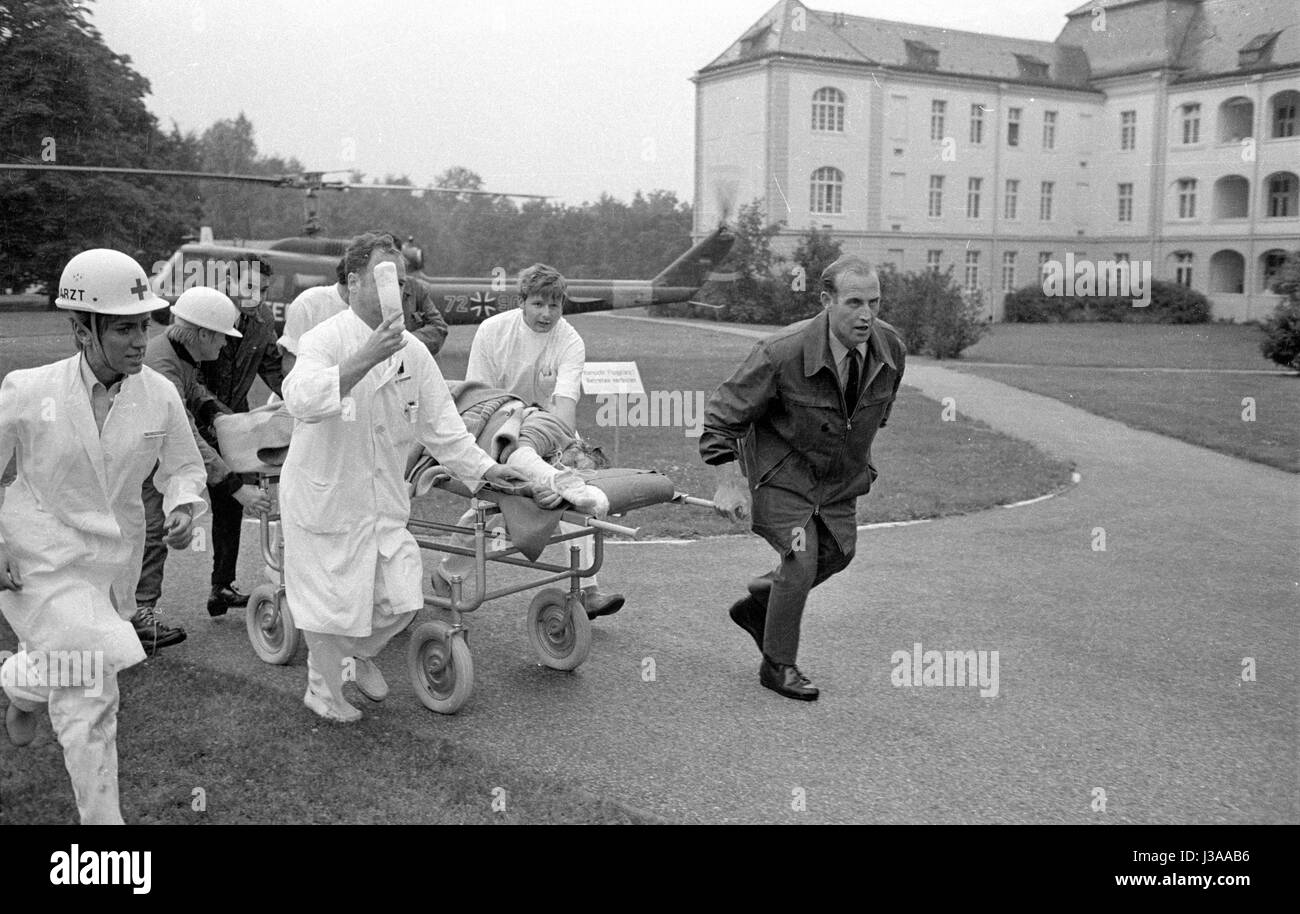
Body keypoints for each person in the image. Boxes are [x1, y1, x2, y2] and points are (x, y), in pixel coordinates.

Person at [280, 231, 528, 722]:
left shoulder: (413, 351)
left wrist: (489, 472)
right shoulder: (324, 339)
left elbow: (444, 430)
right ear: (353, 283)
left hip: (382, 501)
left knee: (402, 594)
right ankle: (323, 691)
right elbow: (301, 400)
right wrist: (367, 355)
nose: (395, 288)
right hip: (326, 499)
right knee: (331, 607)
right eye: (380, 275)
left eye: (399, 276)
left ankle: (358, 656)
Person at [0, 248, 207, 823]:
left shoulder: (159, 394)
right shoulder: (26, 389)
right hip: (36, 560)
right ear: (81, 331)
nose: (141, 340)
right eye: (124, 328)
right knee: (92, 688)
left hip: (112, 565)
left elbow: (184, 468)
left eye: (144, 325)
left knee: (83, 663)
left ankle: (20, 678)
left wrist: (185, 506)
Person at [699, 255, 906, 701]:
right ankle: (778, 665)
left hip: (837, 480)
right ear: (826, 300)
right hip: (781, 474)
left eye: (874, 302)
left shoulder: (891, 349)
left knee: (838, 553)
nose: (866, 315)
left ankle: (762, 604)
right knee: (802, 553)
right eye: (854, 302)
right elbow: (720, 419)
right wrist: (730, 480)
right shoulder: (780, 353)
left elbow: (877, 414)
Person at [464, 263, 625, 619]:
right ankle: (451, 573)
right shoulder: (492, 331)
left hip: (551, 429)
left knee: (571, 496)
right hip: (499, 425)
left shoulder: (570, 340)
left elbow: (565, 406)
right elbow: (478, 397)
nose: (546, 314)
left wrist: (561, 455)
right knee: (492, 506)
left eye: (554, 305)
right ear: (521, 301)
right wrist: (506, 445)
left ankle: (587, 589)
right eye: (538, 304)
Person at [135, 288, 273, 644]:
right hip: (142, 452)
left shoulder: (178, 351)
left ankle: (139, 610)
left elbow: (193, 388)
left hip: (149, 446)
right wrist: (235, 486)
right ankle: (141, 616)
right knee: (153, 529)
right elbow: (187, 437)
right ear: (203, 334)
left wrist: (218, 414)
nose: (225, 346)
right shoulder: (162, 366)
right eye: (223, 338)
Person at [200, 257, 285, 618]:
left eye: (264, 290)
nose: (259, 297)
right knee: (158, 511)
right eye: (251, 288)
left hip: (233, 425)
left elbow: (274, 370)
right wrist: (215, 415)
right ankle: (140, 606)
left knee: (231, 501)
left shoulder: (264, 320)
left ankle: (221, 586)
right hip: (193, 419)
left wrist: (304, 400)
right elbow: (189, 377)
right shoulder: (205, 313)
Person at [279, 240, 449, 372]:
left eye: (400, 283)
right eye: (380, 282)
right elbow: (291, 365)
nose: (394, 293)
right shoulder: (308, 305)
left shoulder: (393, 305)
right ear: (354, 282)